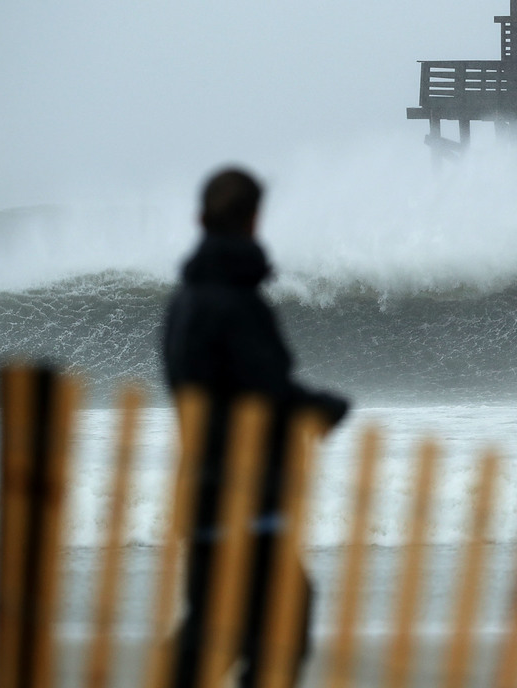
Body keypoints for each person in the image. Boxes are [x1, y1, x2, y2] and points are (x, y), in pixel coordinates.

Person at [163, 167, 349, 687]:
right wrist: (324, 406)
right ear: (253, 222)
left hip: (202, 489)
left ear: (200, 220)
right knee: (277, 626)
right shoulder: (236, 304)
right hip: (244, 496)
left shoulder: (183, 302)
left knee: (215, 630)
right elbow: (266, 393)